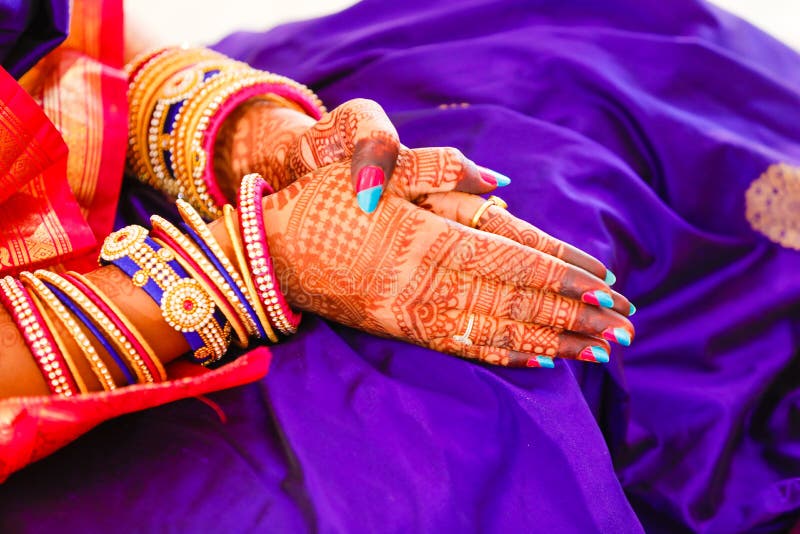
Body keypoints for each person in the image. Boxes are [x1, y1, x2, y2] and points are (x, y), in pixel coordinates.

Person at [0, 0, 798, 532]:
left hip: (99, 167)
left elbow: (49, 48)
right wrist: (248, 263)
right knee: (456, 429)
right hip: (57, 392)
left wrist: (256, 133)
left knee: (569, 82)